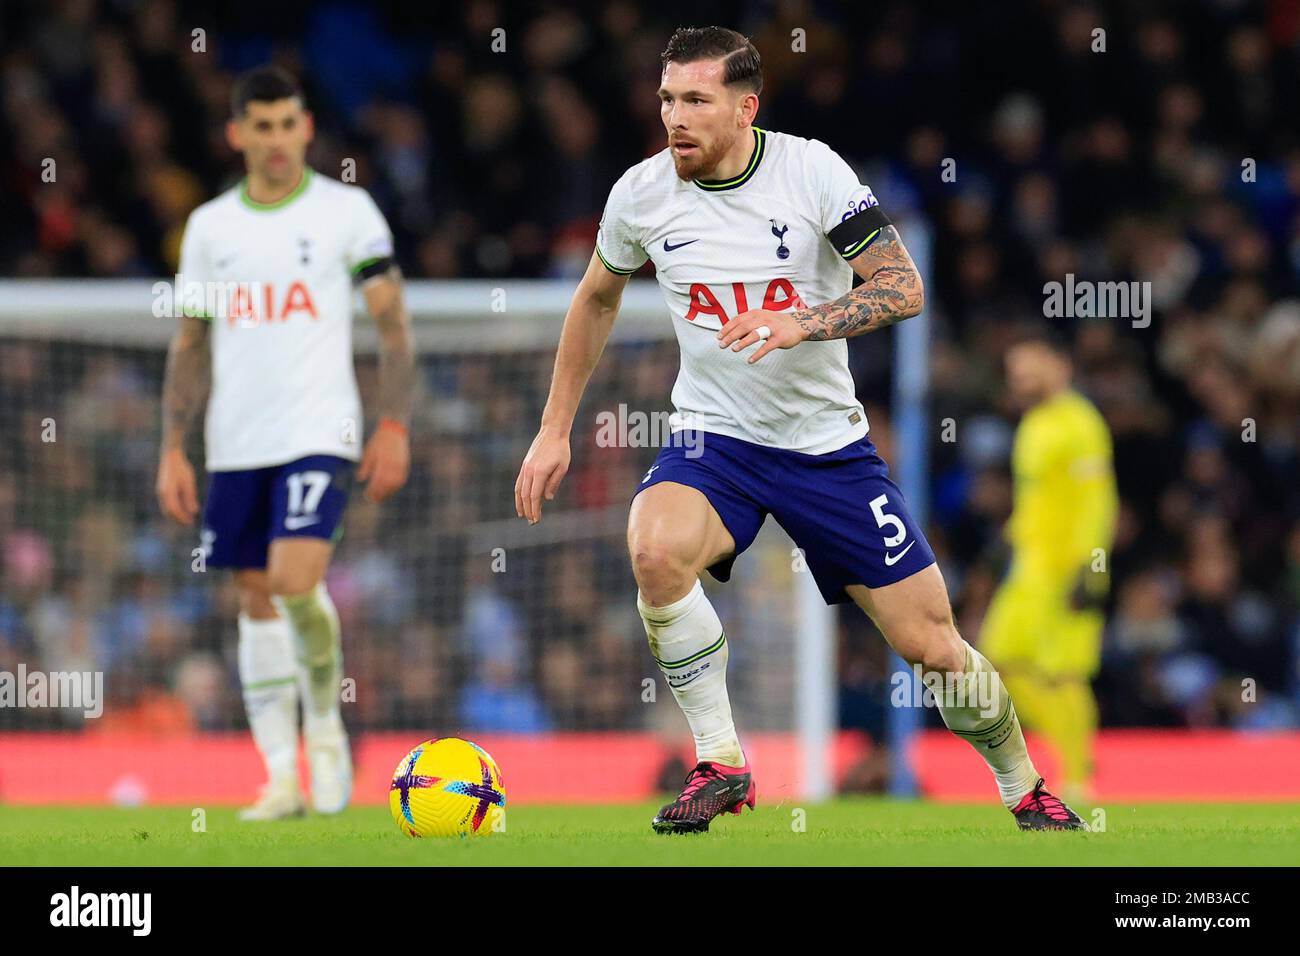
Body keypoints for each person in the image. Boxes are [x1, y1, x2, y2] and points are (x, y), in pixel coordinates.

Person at [515, 26, 1086, 832]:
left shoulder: (812, 172)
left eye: (697, 100)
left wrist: (804, 321)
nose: (676, 117)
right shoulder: (640, 193)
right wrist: (554, 428)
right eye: (668, 100)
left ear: (745, 108)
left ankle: (1024, 787)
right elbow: (596, 299)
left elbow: (903, 286)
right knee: (653, 549)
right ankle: (721, 762)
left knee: (931, 647)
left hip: (825, 451)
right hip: (716, 441)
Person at [156, 66, 414, 820]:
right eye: (260, 126)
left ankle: (326, 727)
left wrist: (393, 425)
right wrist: (172, 446)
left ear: (306, 129)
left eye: (287, 124)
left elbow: (393, 325)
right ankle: (279, 777)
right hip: (235, 440)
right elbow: (190, 342)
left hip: (319, 431)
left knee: (295, 580)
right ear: (237, 134)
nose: (275, 140)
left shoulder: (346, 211)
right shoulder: (210, 228)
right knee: (255, 597)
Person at [979, 328, 1118, 804]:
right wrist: (1006, 542)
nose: (1020, 377)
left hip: (1069, 568)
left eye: (1030, 366)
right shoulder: (1034, 423)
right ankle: (1072, 753)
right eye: (1014, 370)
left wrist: (1092, 565)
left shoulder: (1080, 423)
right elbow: (1037, 499)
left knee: (1064, 672)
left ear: (1060, 365)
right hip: (1030, 567)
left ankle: (1079, 774)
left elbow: (1098, 501)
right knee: (1000, 661)